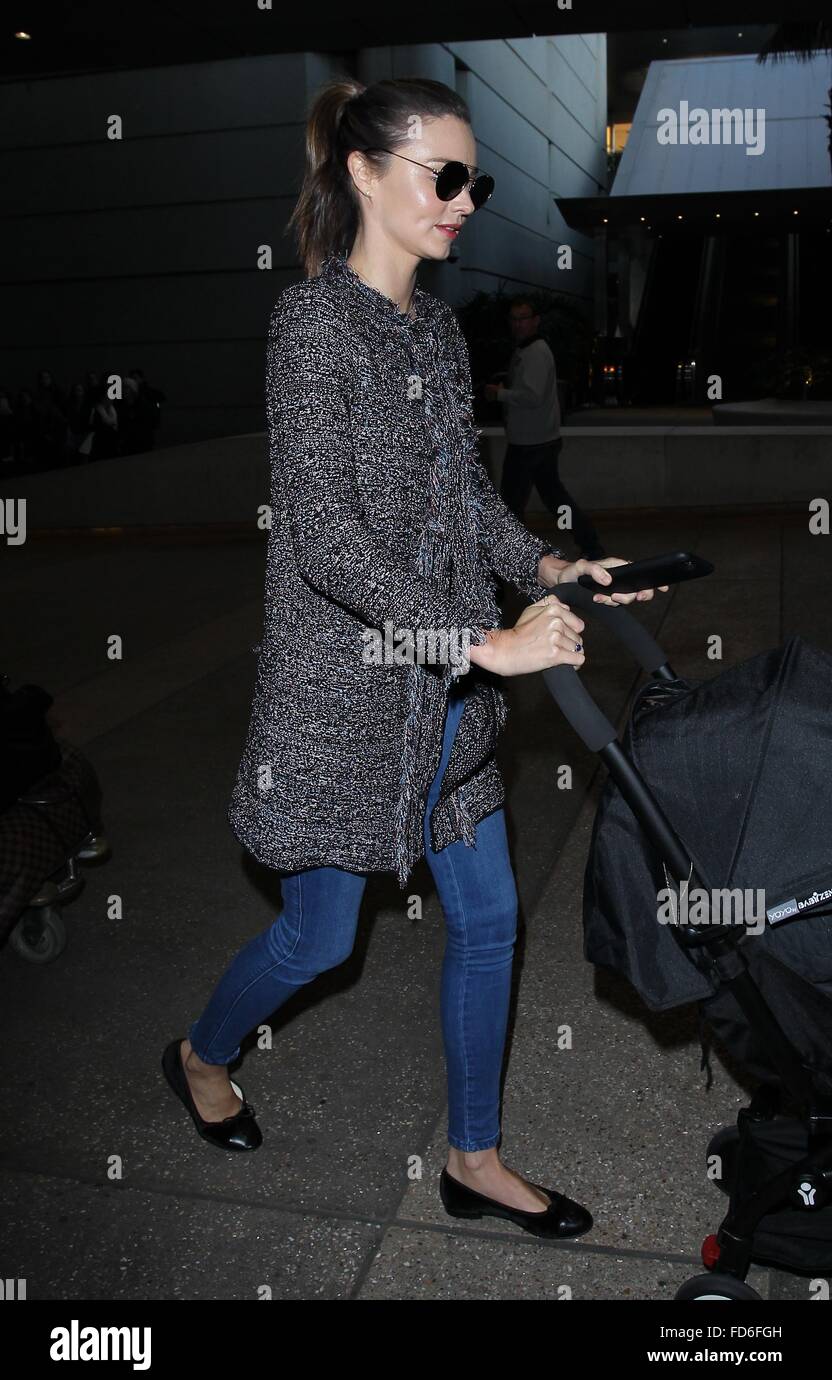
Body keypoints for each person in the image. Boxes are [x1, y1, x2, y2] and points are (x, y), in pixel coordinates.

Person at [161, 76, 664, 1240]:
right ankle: (199, 1052)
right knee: (317, 938)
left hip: (448, 705)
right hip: (341, 708)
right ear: (363, 174)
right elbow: (326, 538)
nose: (464, 200)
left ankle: (473, 1157)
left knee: (489, 921)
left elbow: (472, 512)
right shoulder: (310, 328)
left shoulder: (437, 331)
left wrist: (555, 569)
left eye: (472, 179)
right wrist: (482, 639)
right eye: (444, 176)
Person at [485, 297, 606, 561]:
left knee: (512, 504)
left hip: (531, 444)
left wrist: (500, 394)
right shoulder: (528, 350)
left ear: (535, 321)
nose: (518, 324)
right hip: (537, 441)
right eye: (514, 319)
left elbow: (533, 396)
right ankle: (590, 544)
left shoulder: (536, 351)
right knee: (552, 498)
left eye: (523, 318)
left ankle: (511, 559)